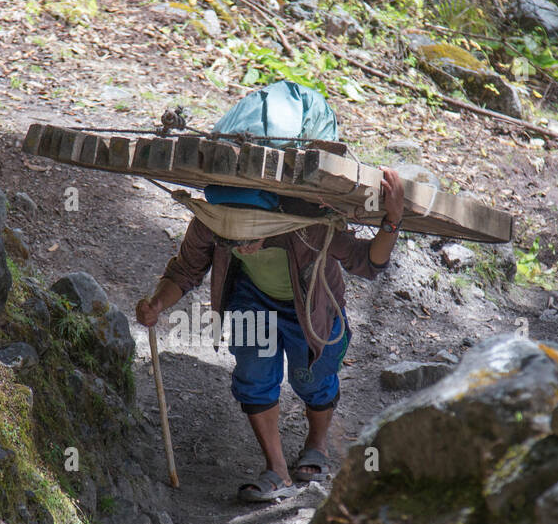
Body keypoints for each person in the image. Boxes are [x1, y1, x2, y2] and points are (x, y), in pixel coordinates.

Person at [136, 167, 406, 502]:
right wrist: (158, 302)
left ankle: (317, 444)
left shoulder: (306, 222)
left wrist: (393, 218)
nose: (242, 248)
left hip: (311, 305)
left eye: (249, 237)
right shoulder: (213, 220)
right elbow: (185, 270)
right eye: (233, 241)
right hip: (253, 299)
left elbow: (367, 262)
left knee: (311, 379)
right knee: (253, 375)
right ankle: (277, 470)